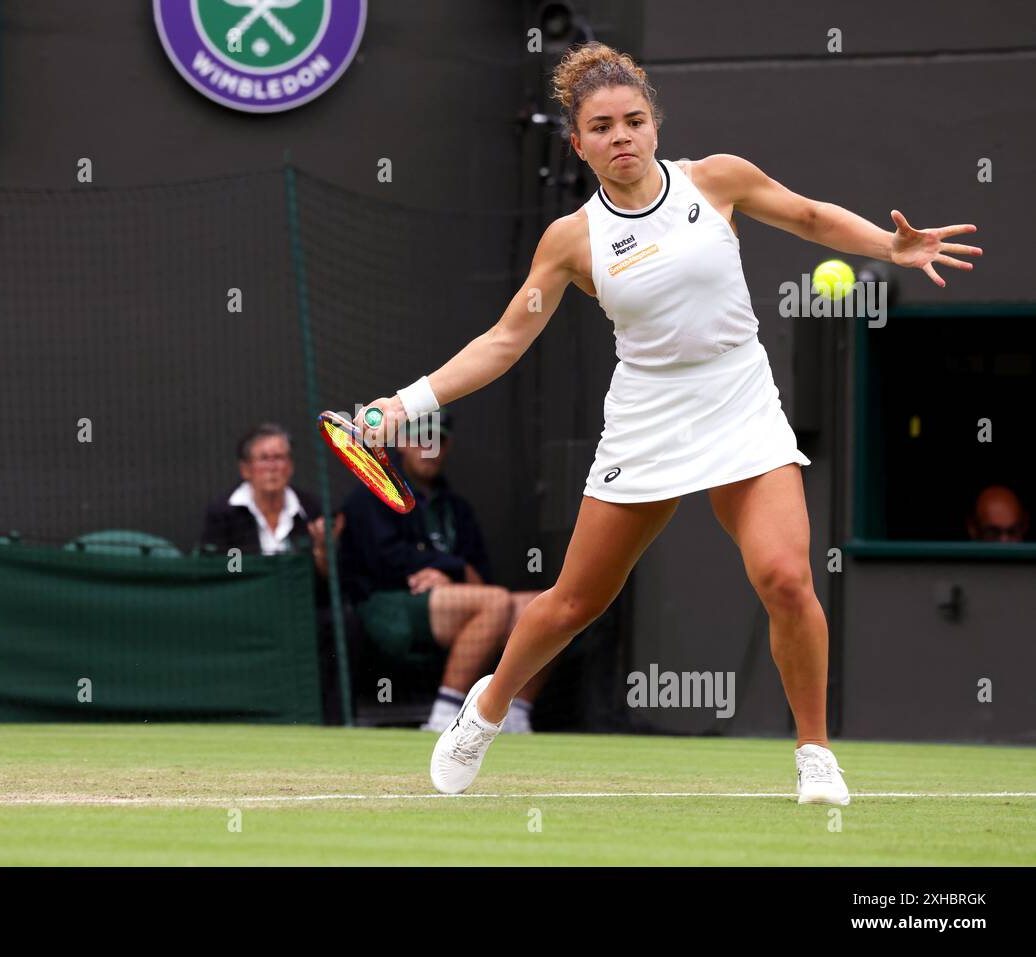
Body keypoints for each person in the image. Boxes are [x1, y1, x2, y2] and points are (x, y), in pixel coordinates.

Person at [353, 42, 983, 804]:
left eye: (634, 120)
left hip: (740, 402)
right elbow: (505, 340)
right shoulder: (571, 240)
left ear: (654, 125)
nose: (622, 135)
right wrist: (408, 401)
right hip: (647, 420)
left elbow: (811, 217)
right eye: (602, 126)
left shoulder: (718, 180)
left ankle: (814, 753)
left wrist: (890, 245)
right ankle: (484, 712)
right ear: (577, 142)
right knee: (575, 603)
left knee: (785, 576)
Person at [338, 407, 552, 733]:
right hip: (388, 606)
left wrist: (449, 576)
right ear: (400, 444)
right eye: (419, 438)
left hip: (460, 607)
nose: (429, 447)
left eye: (437, 440)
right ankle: (444, 716)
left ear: (447, 447)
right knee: (494, 601)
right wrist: (451, 570)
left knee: (545, 608)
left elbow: (480, 576)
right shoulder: (370, 496)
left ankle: (517, 714)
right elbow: (384, 562)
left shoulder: (458, 508)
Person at [200, 423, 352, 724]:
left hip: (302, 615)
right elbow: (213, 575)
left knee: (344, 623)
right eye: (264, 458)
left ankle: (335, 723)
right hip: (243, 613)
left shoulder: (314, 509)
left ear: (291, 466)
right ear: (246, 469)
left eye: (280, 458)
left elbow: (330, 586)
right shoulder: (222, 512)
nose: (273, 466)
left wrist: (322, 550)